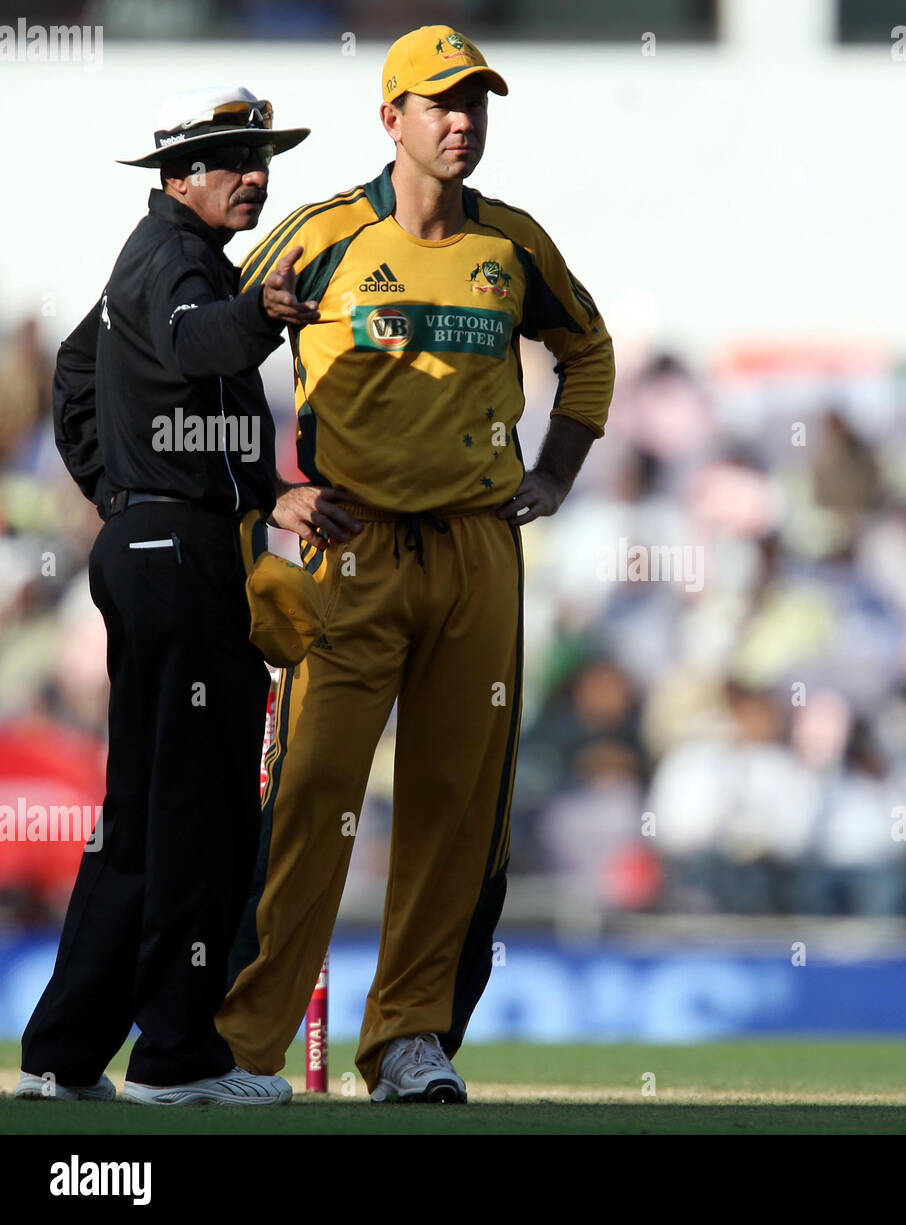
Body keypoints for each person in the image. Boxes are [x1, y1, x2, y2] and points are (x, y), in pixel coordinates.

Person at [218, 25, 615, 1103]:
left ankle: (406, 1040)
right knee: (309, 795)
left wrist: (558, 472)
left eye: (476, 101)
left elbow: (589, 349)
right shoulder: (322, 234)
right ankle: (241, 1049)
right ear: (389, 118)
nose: (462, 120)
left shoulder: (514, 245)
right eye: (440, 102)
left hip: (481, 551)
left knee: (456, 808)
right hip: (352, 551)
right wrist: (266, 495)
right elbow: (213, 347)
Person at [19, 85, 320, 1106]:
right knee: (203, 813)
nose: (256, 173)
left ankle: (65, 1053)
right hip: (183, 560)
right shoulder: (184, 266)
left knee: (140, 817)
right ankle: (176, 1058)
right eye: (234, 157)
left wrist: (126, 491)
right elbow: (201, 345)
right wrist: (261, 315)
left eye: (261, 156)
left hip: (156, 543)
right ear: (178, 176)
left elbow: (74, 375)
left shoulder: (139, 267)